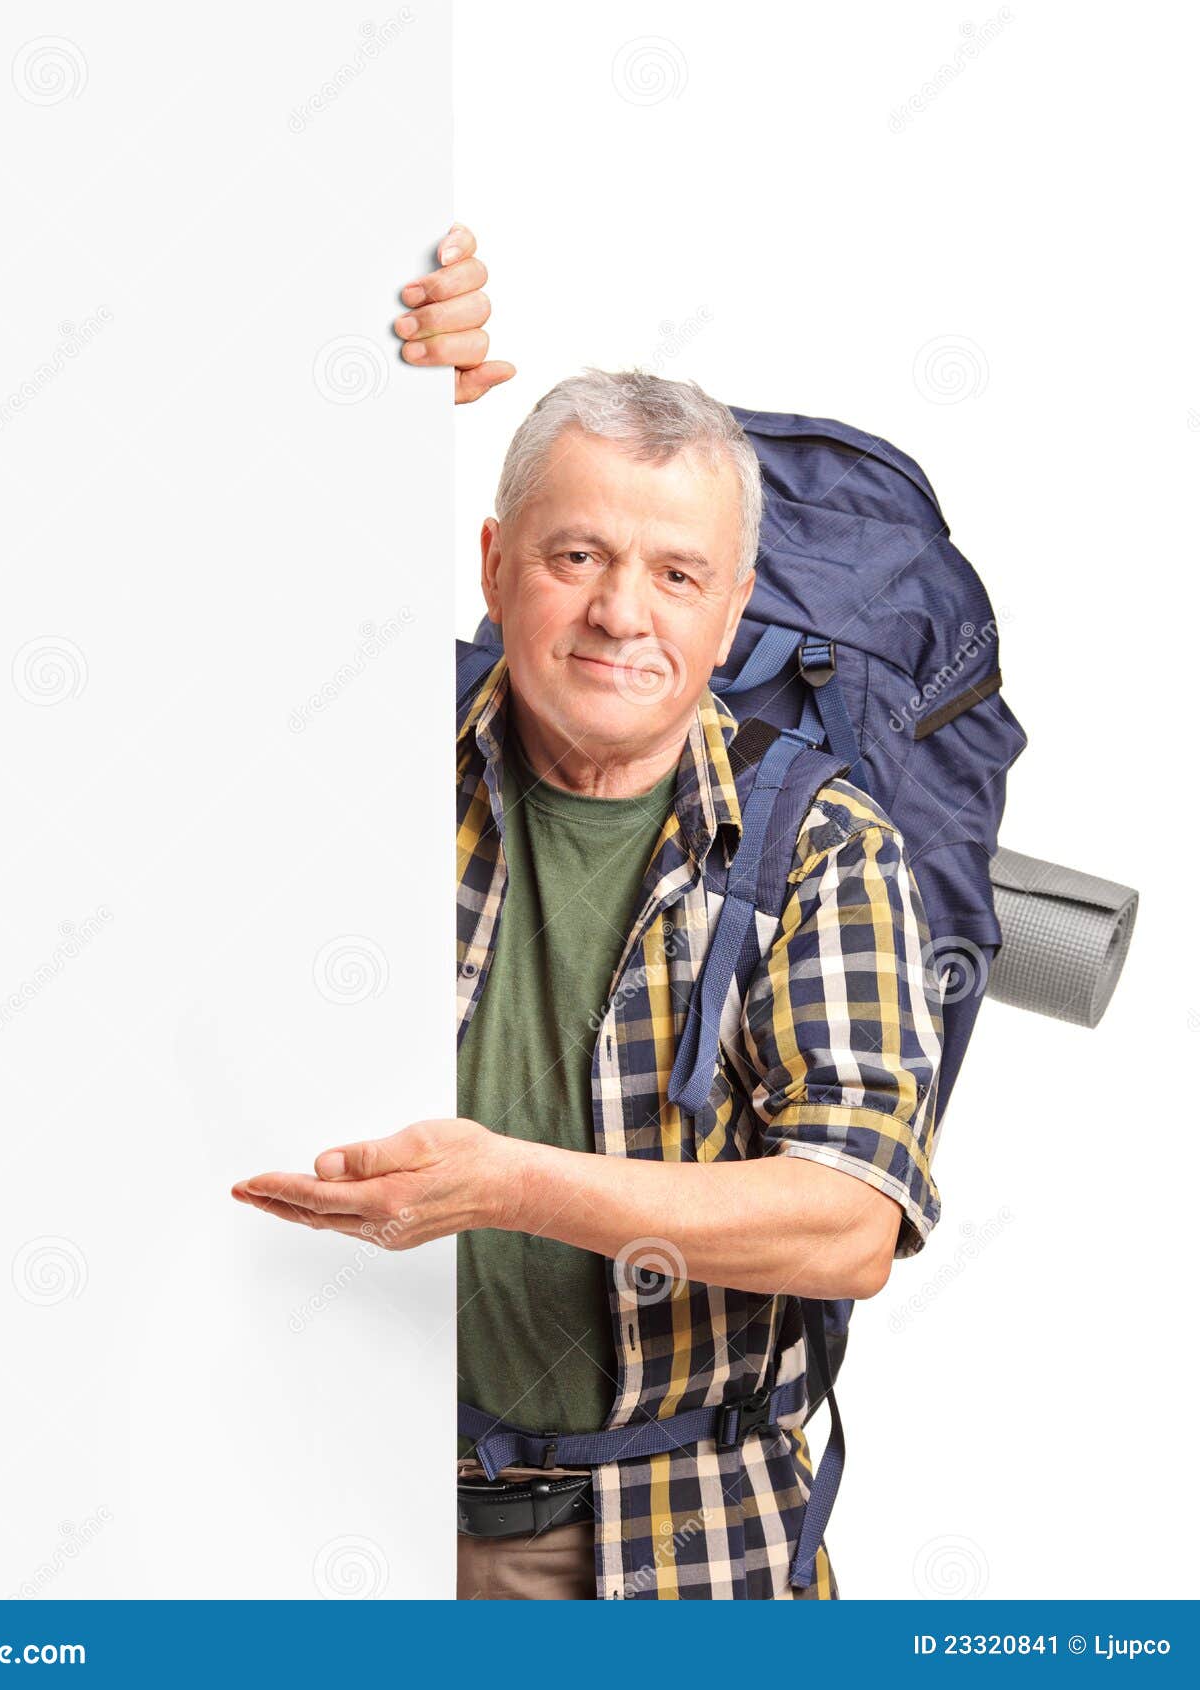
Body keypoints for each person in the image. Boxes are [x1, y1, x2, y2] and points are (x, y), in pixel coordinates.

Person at [233, 226, 944, 1600]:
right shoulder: (362, 755)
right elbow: (176, 604)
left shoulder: (817, 847)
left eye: (676, 574)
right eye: (575, 555)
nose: (622, 612)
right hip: (316, 1503)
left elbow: (847, 1219)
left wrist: (507, 1186)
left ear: (731, 614)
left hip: (668, 1547)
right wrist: (348, 382)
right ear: (493, 563)